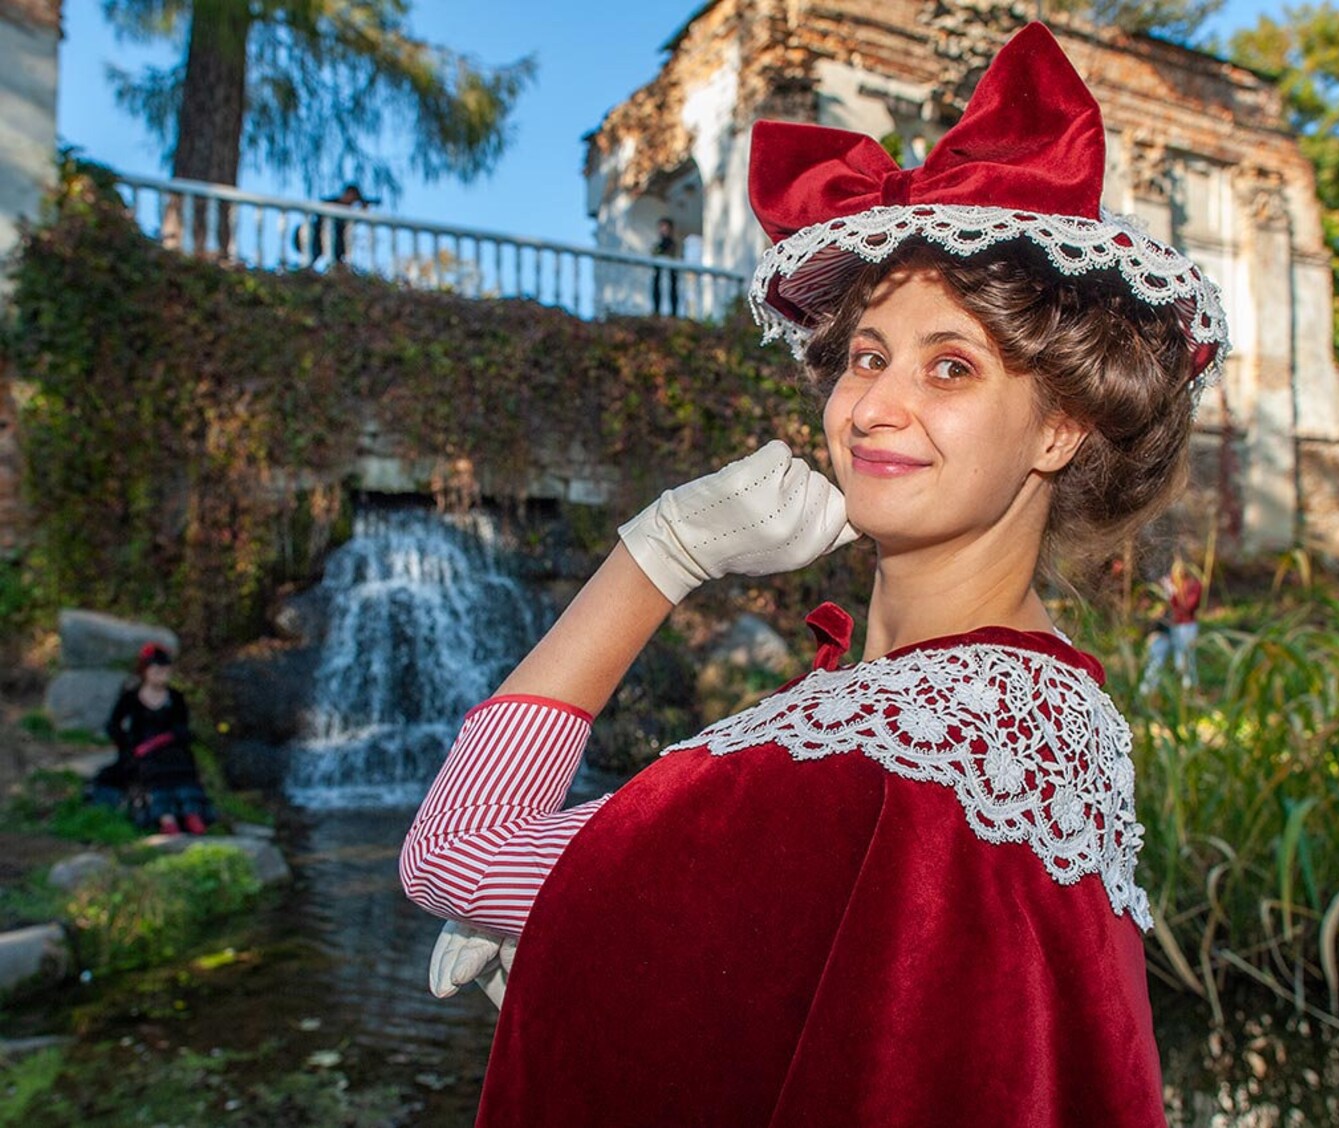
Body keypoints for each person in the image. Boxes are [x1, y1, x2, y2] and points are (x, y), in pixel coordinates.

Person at [402, 23, 1227, 1126]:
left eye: (951, 367)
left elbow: (457, 850)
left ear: (1059, 431)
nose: (871, 405)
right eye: (864, 355)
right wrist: (596, 949)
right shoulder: (1026, 711)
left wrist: (659, 553)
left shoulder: (908, 742)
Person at [103, 643, 214, 835]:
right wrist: (127, 744)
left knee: (183, 771)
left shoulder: (175, 697)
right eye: (156, 670)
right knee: (150, 774)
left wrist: (173, 737)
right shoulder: (131, 697)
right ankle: (165, 819)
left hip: (172, 749)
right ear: (145, 671)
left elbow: (182, 726)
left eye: (164, 670)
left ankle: (192, 814)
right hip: (143, 751)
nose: (161, 674)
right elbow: (113, 725)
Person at [1142, 558, 1203, 692]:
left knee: (1184, 660)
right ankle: (1148, 690)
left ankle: (1188, 691)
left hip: (1185, 626)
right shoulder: (1168, 582)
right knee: (1156, 657)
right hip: (1165, 626)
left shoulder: (1194, 585)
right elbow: (1152, 602)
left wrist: (1173, 594)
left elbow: (1188, 607)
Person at [307, 182, 375, 268]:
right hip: (319, 234)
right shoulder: (334, 203)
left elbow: (351, 224)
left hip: (337, 239)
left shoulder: (348, 210)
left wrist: (363, 210)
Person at [650, 216, 681, 315]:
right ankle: (656, 311)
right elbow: (654, 254)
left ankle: (674, 313)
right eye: (661, 227)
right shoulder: (658, 245)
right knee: (657, 290)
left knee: (672, 291)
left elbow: (675, 255)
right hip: (658, 273)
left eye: (665, 228)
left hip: (672, 273)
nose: (663, 230)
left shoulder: (674, 245)